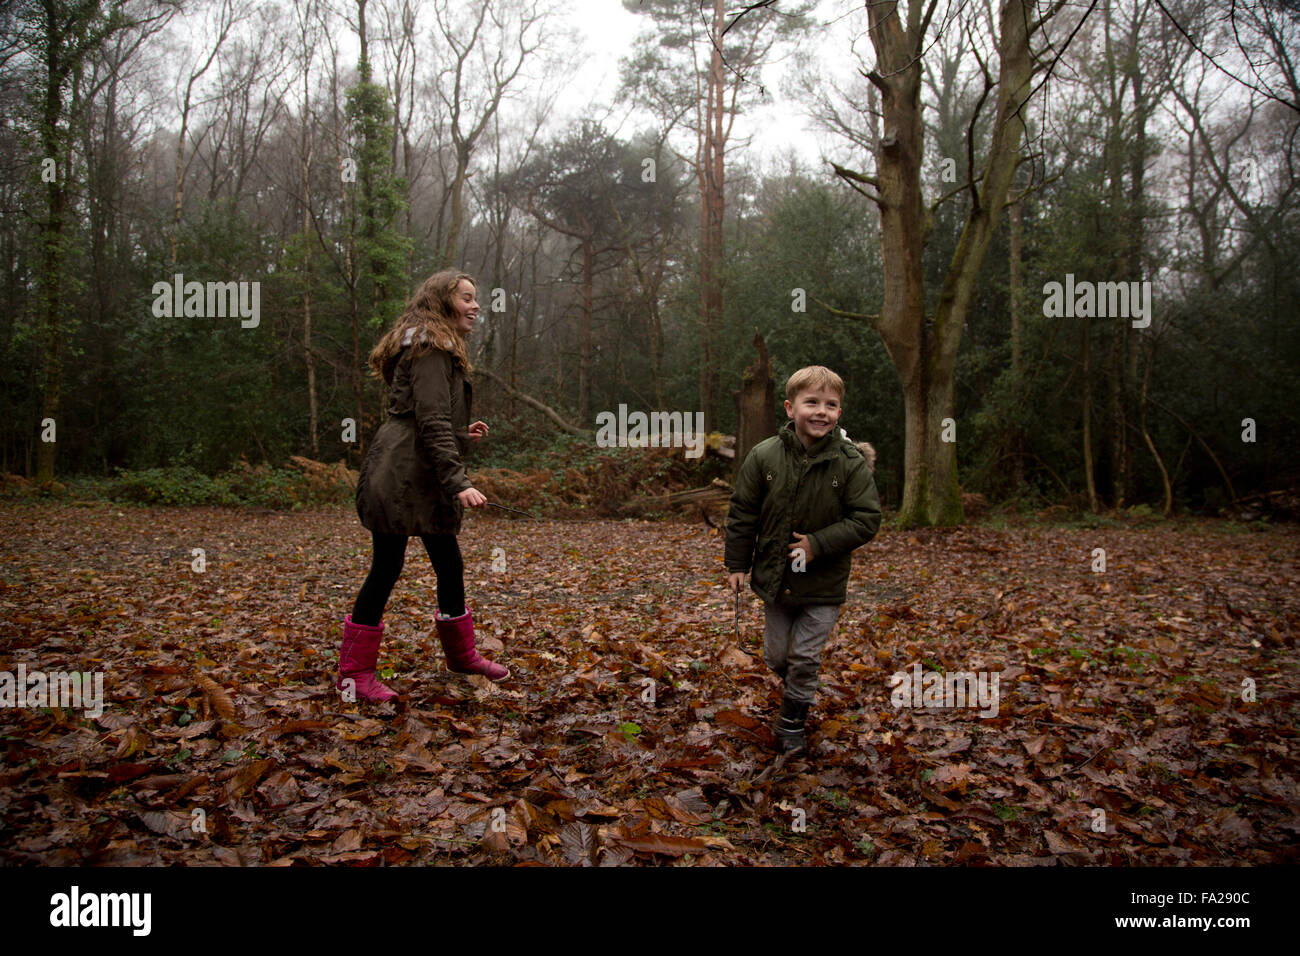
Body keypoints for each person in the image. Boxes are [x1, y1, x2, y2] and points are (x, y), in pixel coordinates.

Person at [340, 270, 508, 703]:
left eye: (477, 299)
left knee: (449, 564)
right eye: (467, 298)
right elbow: (428, 421)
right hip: (401, 475)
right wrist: (459, 482)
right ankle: (354, 675)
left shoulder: (434, 345)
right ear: (442, 302)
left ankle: (462, 657)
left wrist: (459, 432)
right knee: (386, 568)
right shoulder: (431, 348)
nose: (475, 306)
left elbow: (427, 418)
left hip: (419, 470)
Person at [725, 366, 881, 755]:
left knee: (804, 657)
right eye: (811, 402)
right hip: (776, 579)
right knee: (777, 655)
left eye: (831, 405)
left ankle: (792, 723)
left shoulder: (849, 463)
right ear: (790, 408)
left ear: (840, 413)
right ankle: (798, 683)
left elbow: (867, 519)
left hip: (823, 585)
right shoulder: (764, 456)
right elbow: (743, 513)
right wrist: (737, 565)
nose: (821, 412)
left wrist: (817, 543)